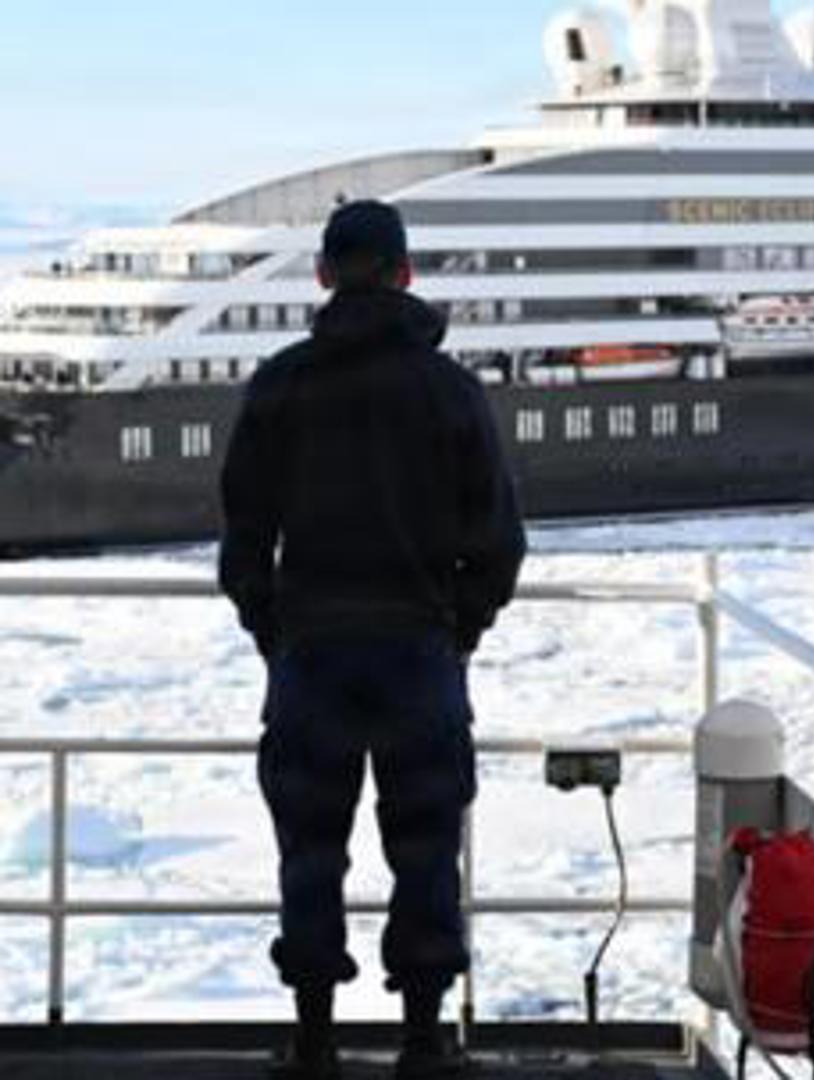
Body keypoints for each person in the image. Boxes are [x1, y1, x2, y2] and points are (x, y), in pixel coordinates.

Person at [219, 199, 527, 1080]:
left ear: (322, 275)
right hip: (419, 656)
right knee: (426, 843)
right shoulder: (452, 390)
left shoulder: (280, 383)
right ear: (405, 274)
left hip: (312, 654)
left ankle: (313, 1038)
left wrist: (272, 626)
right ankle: (424, 1041)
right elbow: (499, 541)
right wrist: (458, 626)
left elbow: (243, 535)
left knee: (309, 847)